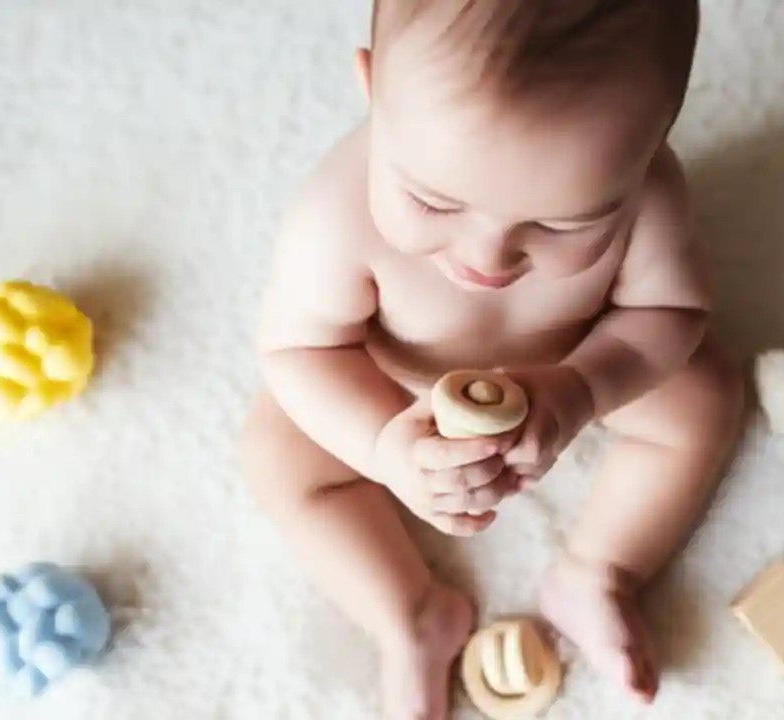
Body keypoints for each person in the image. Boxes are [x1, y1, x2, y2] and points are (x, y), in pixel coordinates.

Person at [241, 2, 743, 717]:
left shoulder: (650, 199)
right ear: (374, 85)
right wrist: (384, 448)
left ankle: (598, 572)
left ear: (655, 141)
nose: (489, 256)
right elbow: (300, 348)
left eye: (562, 222)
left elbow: (667, 314)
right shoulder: (335, 216)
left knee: (703, 398)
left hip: (578, 353)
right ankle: (408, 615)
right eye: (433, 200)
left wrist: (583, 389)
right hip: (389, 377)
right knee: (279, 458)